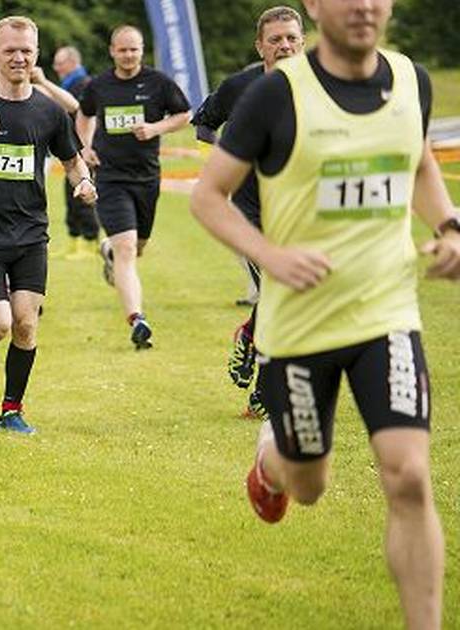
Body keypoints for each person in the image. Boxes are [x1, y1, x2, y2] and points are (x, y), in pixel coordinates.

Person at [189, 1, 459, 627]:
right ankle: (270, 464)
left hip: (386, 313)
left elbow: (416, 161)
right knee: (308, 484)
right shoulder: (276, 96)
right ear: (315, 6)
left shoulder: (408, 80)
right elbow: (208, 196)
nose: (364, 6)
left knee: (410, 476)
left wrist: (448, 225)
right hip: (301, 327)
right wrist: (268, 256)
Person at [0, 16, 96, 434]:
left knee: (25, 322)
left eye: (26, 51)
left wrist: (85, 182)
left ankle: (11, 410)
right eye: (10, 51)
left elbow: (72, 160)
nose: (18, 58)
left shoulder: (49, 111)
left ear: (36, 56)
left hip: (31, 232)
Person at [191, 5, 305, 420]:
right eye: (275, 40)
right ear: (260, 46)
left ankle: (250, 334)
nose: (284, 46)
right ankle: (263, 394)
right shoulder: (239, 86)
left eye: (291, 38)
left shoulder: (321, 88)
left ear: (303, 42)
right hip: (248, 209)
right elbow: (203, 124)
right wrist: (226, 158)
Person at [76, 25, 191, 350]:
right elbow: (83, 117)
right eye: (123, 50)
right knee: (128, 249)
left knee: (136, 247)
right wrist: (85, 147)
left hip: (147, 177)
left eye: (134, 49)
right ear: (112, 51)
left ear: (142, 50)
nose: (129, 55)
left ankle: (109, 251)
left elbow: (184, 114)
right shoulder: (98, 86)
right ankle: (137, 319)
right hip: (111, 178)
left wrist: (156, 127)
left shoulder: (158, 84)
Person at [53, 45, 99, 259]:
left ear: (73, 63)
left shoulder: (84, 84)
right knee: (70, 196)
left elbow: (87, 117)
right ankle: (74, 243)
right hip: (72, 149)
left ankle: (91, 244)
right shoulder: (69, 84)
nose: (56, 67)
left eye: (60, 63)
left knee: (84, 194)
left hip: (87, 150)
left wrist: (89, 148)